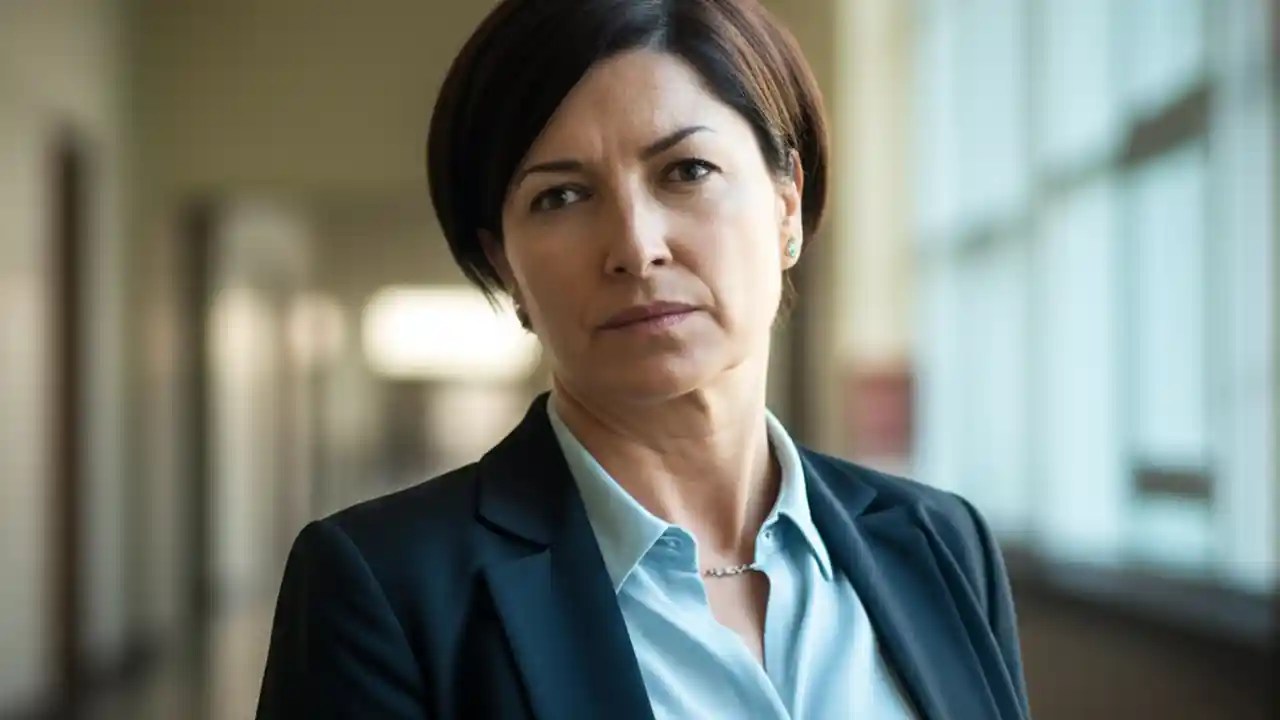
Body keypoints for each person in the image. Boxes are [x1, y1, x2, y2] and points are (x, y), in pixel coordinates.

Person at [256, 0, 1030, 718]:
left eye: (687, 171)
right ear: (505, 266)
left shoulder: (939, 541)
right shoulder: (385, 588)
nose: (635, 246)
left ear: (786, 205)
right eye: (562, 196)